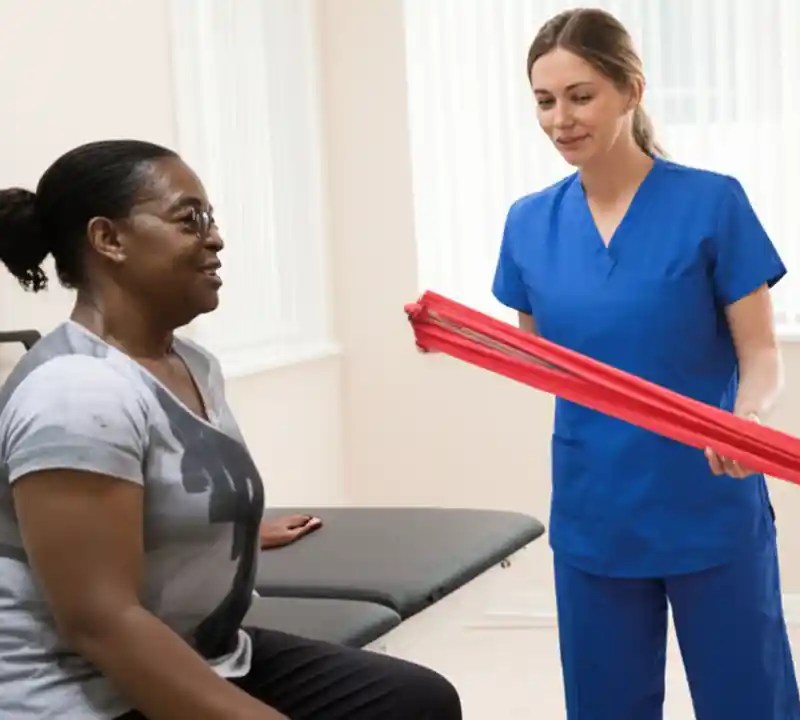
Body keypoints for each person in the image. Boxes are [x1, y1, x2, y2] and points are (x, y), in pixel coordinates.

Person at [0, 139, 462, 720]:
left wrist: (219, 528)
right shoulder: (75, 392)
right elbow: (101, 623)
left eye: (211, 219)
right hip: (79, 689)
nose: (215, 238)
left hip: (206, 651)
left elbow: (137, 501)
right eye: (189, 219)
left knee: (414, 702)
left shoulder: (192, 364)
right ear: (108, 239)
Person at [491, 8, 800, 720]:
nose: (561, 119)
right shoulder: (528, 223)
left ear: (631, 90)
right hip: (594, 507)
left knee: (747, 701)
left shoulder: (712, 203)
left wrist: (748, 419)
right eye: (545, 100)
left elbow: (761, 352)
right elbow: (537, 360)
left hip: (708, 497)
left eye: (581, 96)